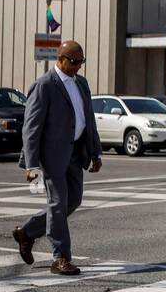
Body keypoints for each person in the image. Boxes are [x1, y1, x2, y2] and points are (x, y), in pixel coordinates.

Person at [13, 41, 102, 275]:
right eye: (73, 62)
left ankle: (27, 232)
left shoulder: (81, 83)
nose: (77, 67)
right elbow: (31, 128)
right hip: (51, 157)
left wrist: (96, 152)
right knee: (58, 204)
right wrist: (31, 165)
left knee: (73, 201)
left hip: (76, 153)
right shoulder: (44, 86)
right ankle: (60, 257)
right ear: (60, 59)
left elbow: (88, 120)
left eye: (81, 62)